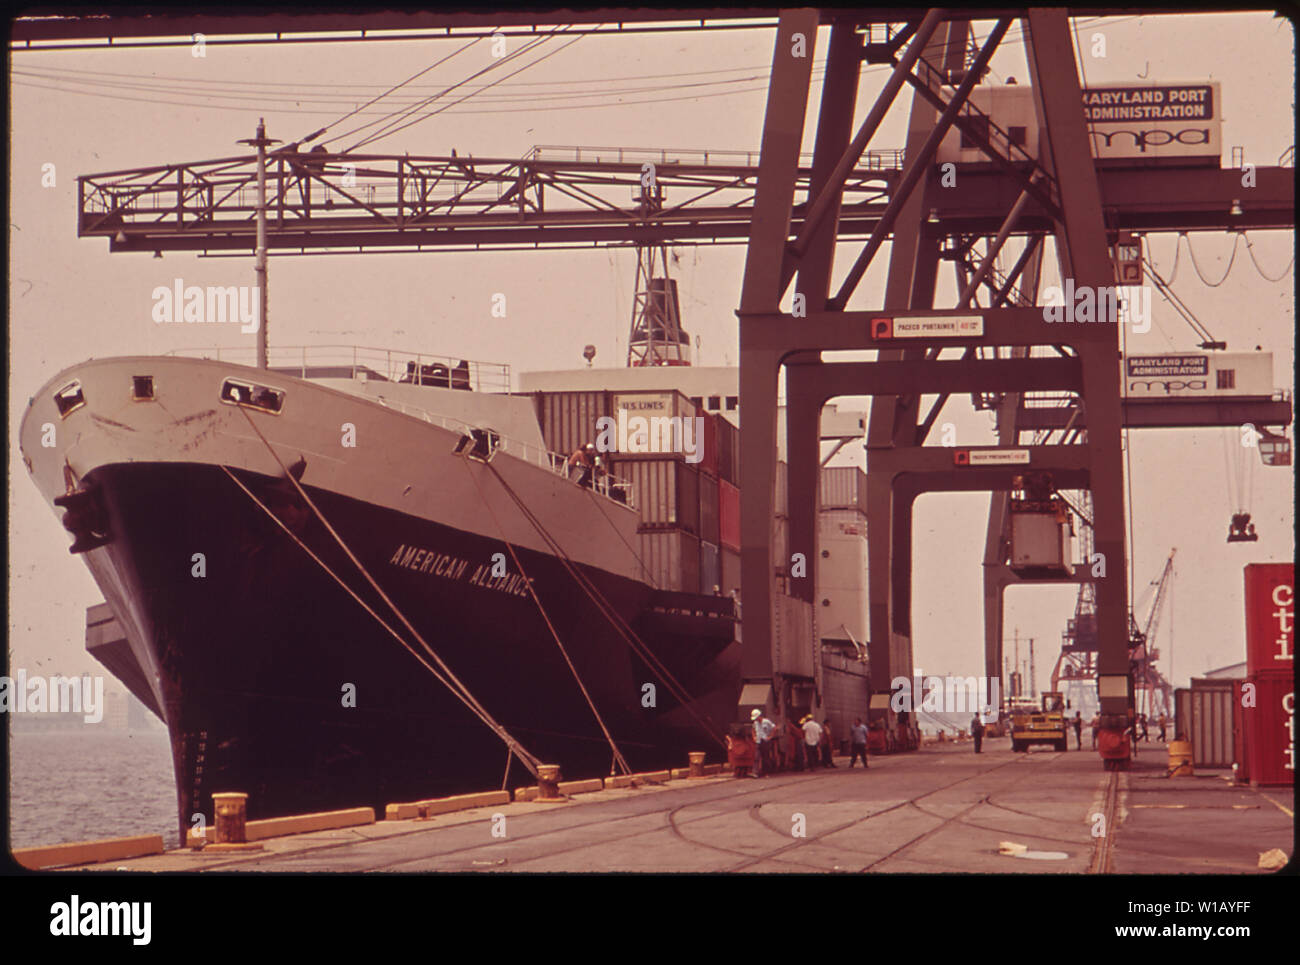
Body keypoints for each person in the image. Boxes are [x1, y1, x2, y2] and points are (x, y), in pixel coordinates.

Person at [751, 708, 776, 777]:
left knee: (765, 758)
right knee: (756, 757)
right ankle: (755, 772)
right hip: (758, 741)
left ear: (759, 716)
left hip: (765, 741)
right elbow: (753, 730)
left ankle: (766, 772)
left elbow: (774, 728)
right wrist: (754, 737)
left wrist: (770, 736)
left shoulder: (767, 722)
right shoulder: (755, 723)